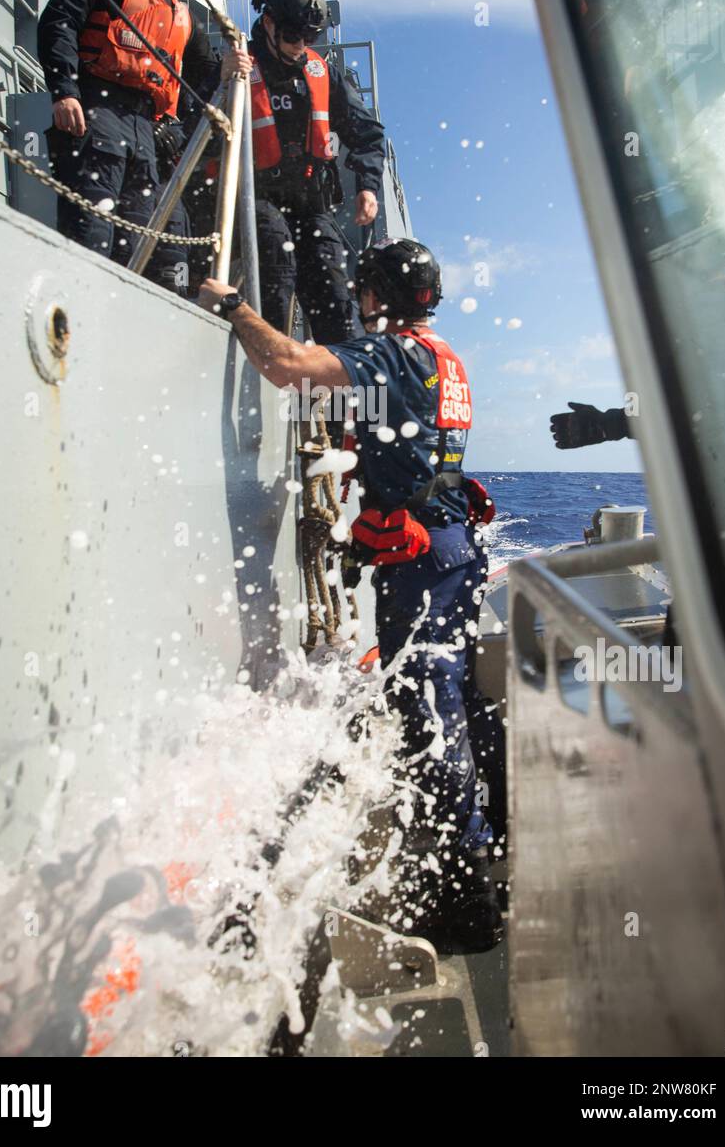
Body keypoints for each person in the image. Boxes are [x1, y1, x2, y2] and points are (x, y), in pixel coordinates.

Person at [197, 237, 504, 951]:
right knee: (456, 701)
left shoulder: (395, 355)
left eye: (366, 291)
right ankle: (490, 838)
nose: (360, 303)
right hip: (455, 552)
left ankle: (466, 903)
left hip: (425, 562)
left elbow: (288, 368)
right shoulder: (443, 357)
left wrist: (236, 307)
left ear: (383, 296)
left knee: (433, 721)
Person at [37, 0, 225, 296]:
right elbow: (60, 21)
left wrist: (182, 124)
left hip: (153, 145)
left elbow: (206, 80)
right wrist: (64, 89)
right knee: (91, 242)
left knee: (163, 258)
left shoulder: (184, 15)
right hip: (98, 120)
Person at [214, 0, 387, 343]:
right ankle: (268, 374)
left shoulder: (322, 74)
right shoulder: (237, 64)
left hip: (310, 205)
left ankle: (339, 395)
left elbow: (367, 134)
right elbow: (191, 116)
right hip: (254, 199)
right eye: (294, 35)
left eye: (311, 36)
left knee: (335, 292)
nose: (301, 44)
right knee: (276, 261)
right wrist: (220, 79)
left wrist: (368, 187)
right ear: (269, 21)